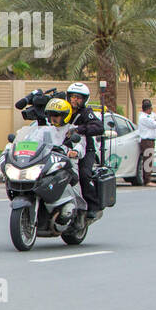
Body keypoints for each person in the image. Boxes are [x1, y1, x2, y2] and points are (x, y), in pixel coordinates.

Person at [64, 82, 105, 219]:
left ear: (84, 100)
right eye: (73, 97)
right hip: (63, 147)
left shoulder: (86, 113)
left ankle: (93, 206)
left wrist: (79, 129)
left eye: (78, 98)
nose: (75, 100)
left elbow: (99, 127)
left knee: (84, 174)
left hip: (86, 149)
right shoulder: (62, 110)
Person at [137, 98, 156, 187]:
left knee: (149, 160)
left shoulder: (149, 116)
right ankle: (147, 180)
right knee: (148, 161)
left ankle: (148, 179)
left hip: (150, 141)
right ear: (148, 109)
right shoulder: (144, 118)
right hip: (146, 141)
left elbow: (154, 118)